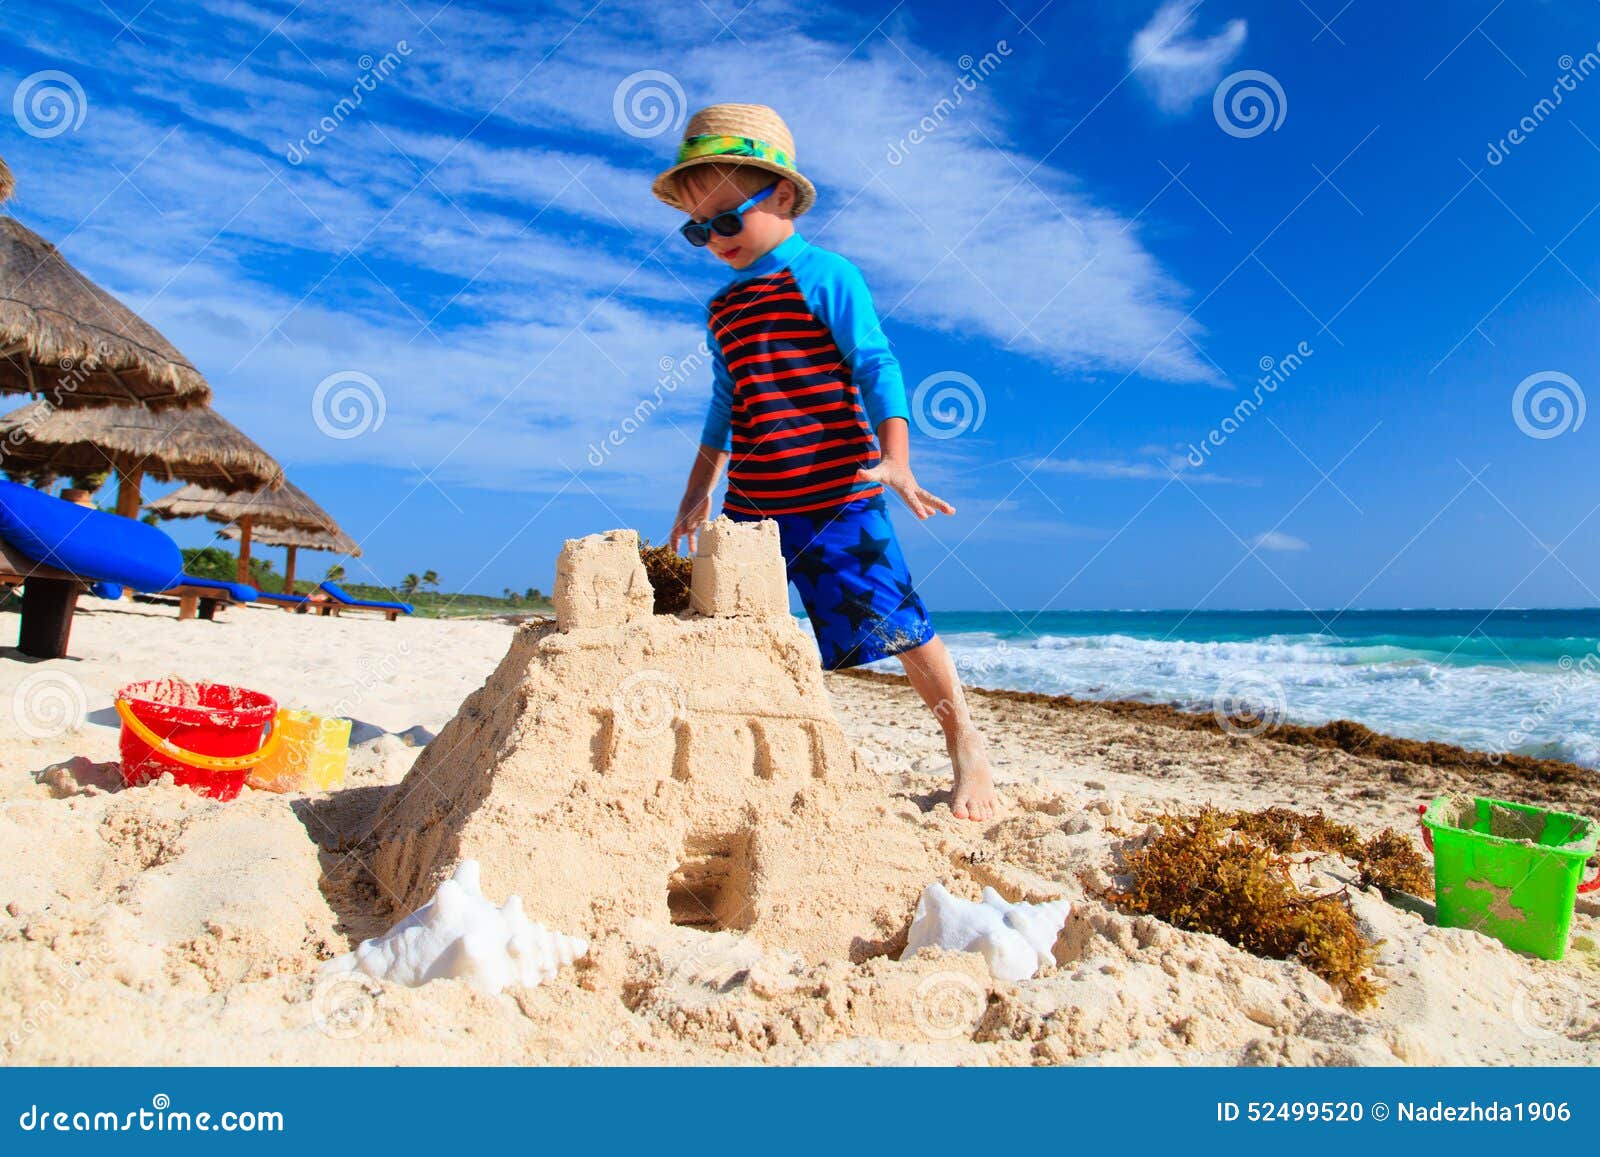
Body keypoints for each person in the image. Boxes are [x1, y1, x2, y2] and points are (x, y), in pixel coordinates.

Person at [658, 103, 998, 821]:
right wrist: (696, 493)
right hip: (753, 502)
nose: (715, 240)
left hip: (839, 491)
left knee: (898, 623)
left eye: (726, 220)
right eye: (698, 230)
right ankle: (743, 754)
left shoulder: (826, 277)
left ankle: (964, 741)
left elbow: (876, 364)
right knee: (732, 626)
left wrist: (897, 459)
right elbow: (724, 405)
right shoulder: (721, 310)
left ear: (782, 196)